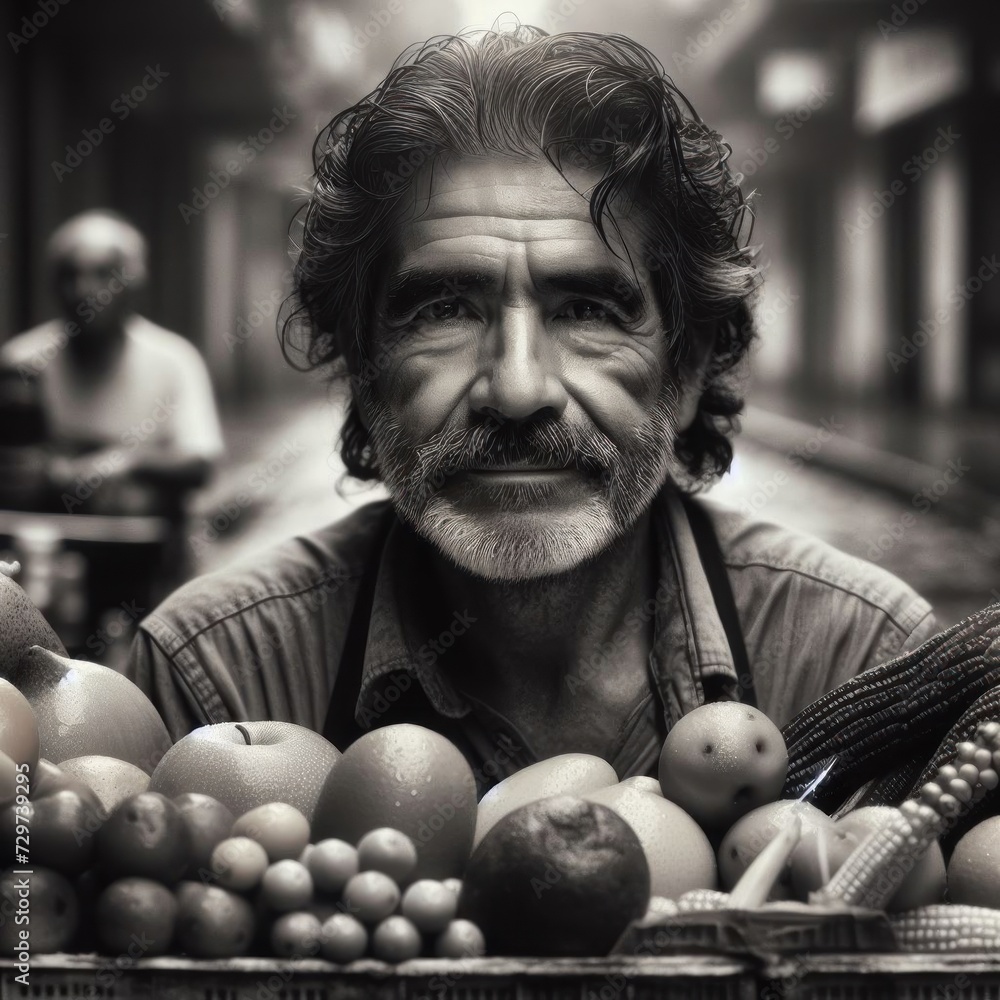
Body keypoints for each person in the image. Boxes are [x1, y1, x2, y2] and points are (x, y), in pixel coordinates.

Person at [125, 27, 936, 787]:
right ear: (366, 372)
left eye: (587, 310)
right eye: (444, 308)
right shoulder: (217, 679)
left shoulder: (862, 659)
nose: (516, 390)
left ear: (685, 369)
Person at [0, 210, 224, 651]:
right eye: (70, 275)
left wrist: (122, 462)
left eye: (103, 275)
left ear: (132, 282)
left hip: (146, 563)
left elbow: (200, 461)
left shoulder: (171, 360)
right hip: (45, 557)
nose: (84, 290)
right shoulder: (24, 362)